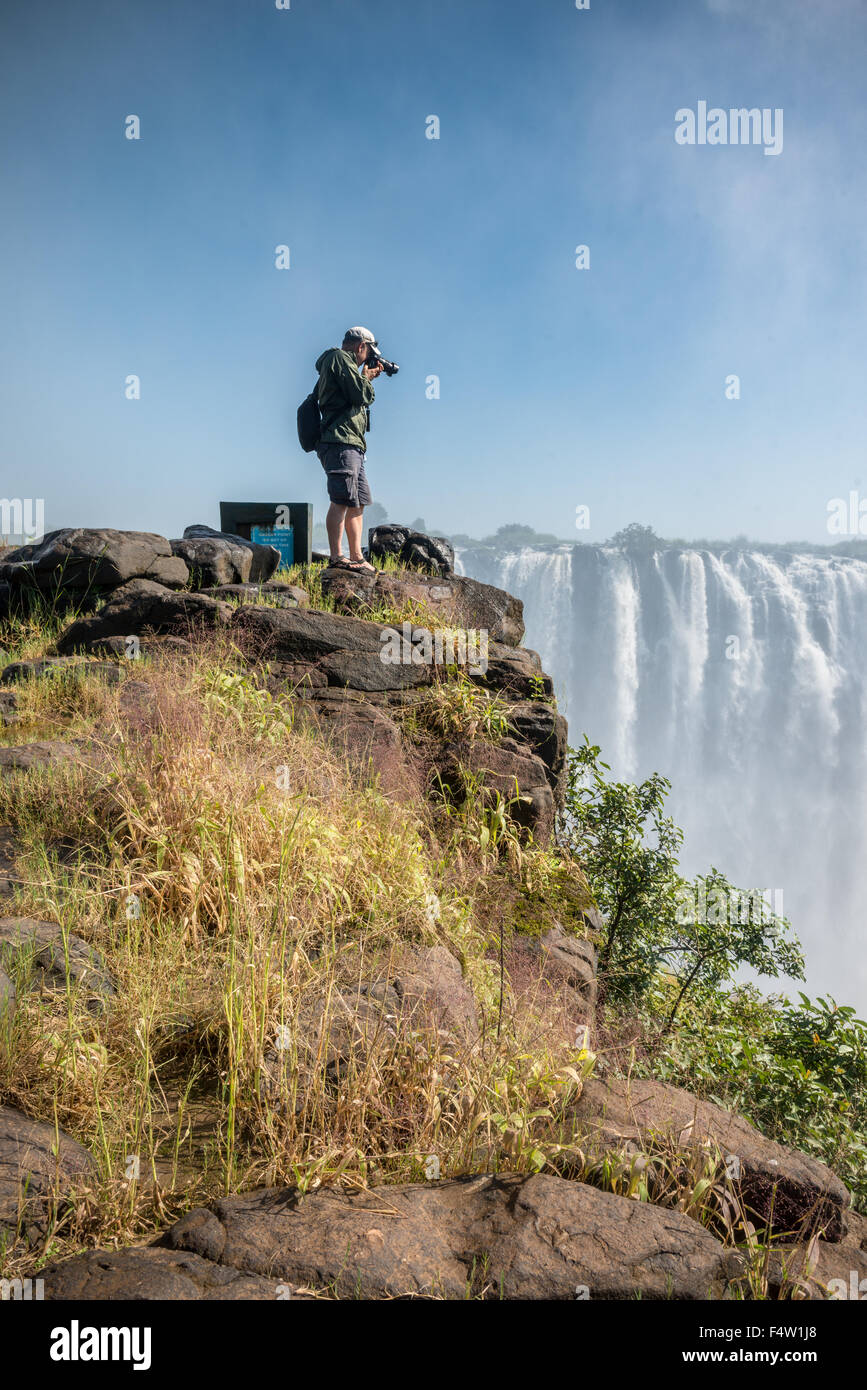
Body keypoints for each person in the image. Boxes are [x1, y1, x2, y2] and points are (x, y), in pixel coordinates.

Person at [314, 327, 384, 571]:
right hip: (339, 441)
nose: (367, 358)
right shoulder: (338, 358)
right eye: (368, 352)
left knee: (358, 502)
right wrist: (367, 378)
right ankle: (337, 557)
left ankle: (356, 557)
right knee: (341, 500)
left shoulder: (343, 365)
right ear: (361, 346)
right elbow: (361, 394)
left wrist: (363, 377)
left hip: (353, 443)